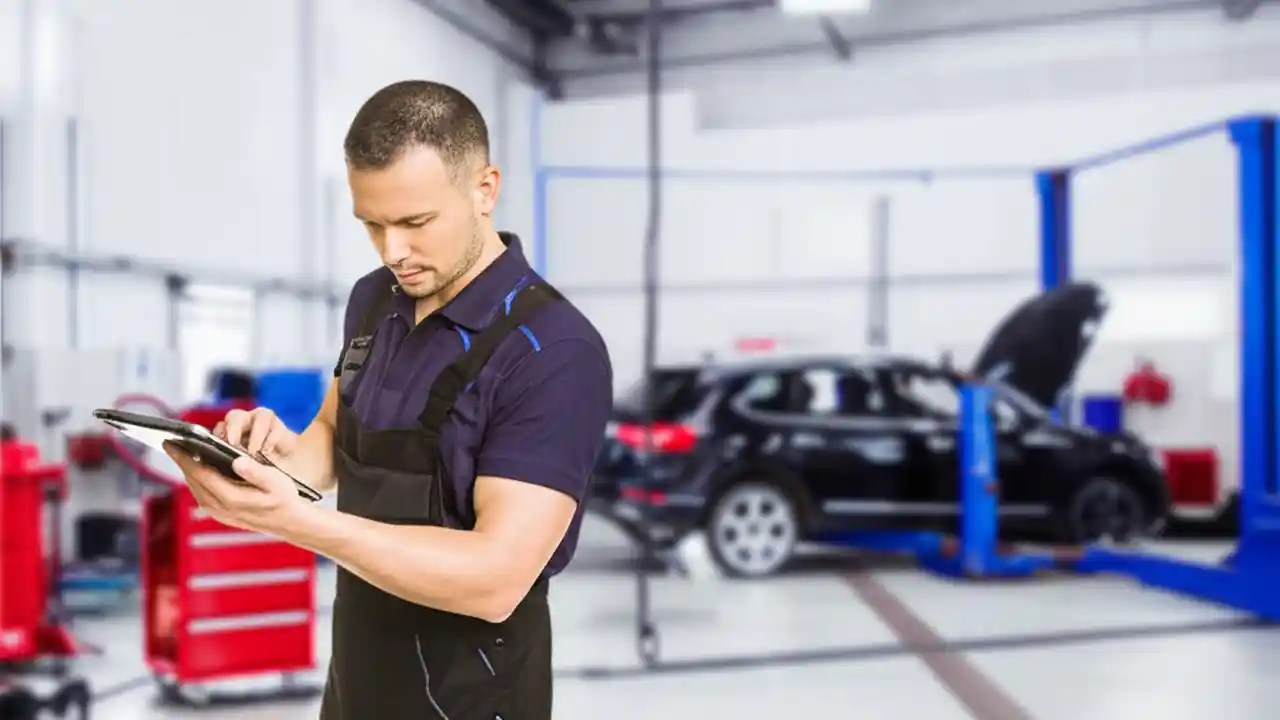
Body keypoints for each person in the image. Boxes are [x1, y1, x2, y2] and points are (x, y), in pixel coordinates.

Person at [164, 80, 613, 719]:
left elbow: (495, 578)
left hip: (473, 698)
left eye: (415, 222)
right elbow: (332, 435)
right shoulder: (374, 300)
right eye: (372, 224)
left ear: (485, 189)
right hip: (357, 680)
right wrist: (264, 460)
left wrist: (293, 520)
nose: (392, 251)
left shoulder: (555, 351)